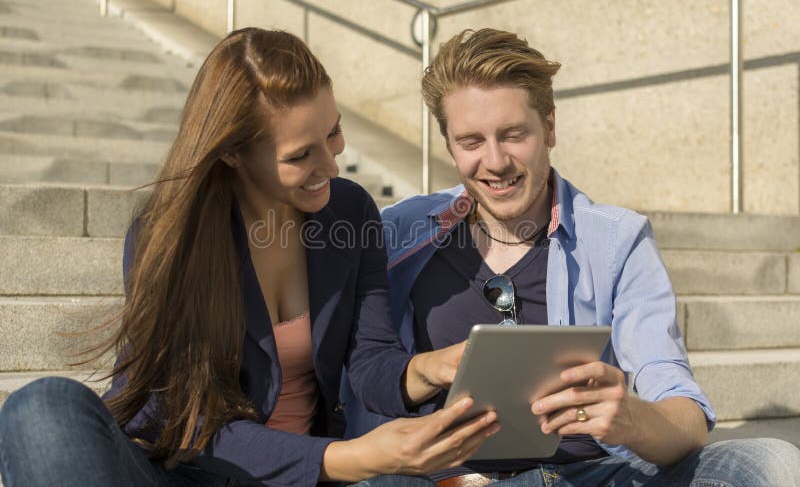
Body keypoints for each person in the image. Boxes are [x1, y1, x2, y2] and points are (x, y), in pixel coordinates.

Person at [0, 28, 501, 487]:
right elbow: (187, 424)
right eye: (300, 155)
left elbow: (370, 359)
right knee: (41, 407)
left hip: (311, 477)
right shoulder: (169, 236)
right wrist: (353, 458)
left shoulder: (349, 211)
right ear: (233, 153)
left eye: (333, 133)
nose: (331, 163)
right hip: (186, 474)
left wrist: (431, 369)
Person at [344, 28, 800, 486]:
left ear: (551, 128)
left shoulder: (617, 240)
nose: (496, 161)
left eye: (513, 134)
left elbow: (684, 414)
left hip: (584, 474)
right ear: (449, 145)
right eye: (471, 142)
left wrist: (628, 419)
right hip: (445, 479)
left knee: (770, 461)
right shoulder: (400, 232)